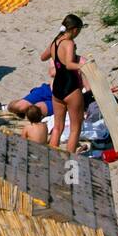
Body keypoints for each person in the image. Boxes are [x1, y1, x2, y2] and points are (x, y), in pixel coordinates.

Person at [41, 14, 84, 153]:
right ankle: (69, 159)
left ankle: (51, 156)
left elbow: (43, 57)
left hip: (57, 87)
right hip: (70, 86)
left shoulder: (55, 41)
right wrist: (84, 66)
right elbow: (70, 65)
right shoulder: (69, 43)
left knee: (57, 127)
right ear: (75, 30)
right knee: (75, 129)